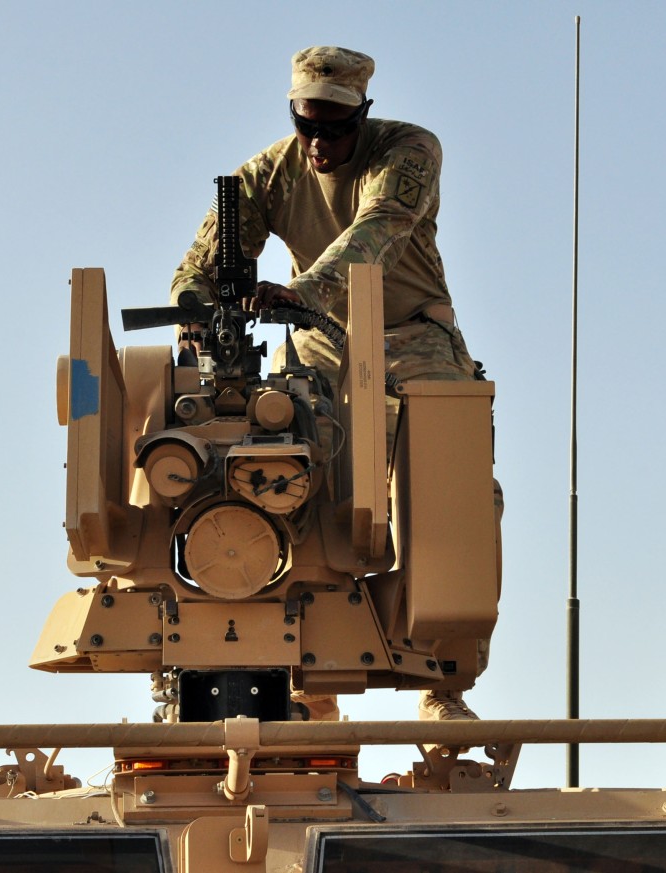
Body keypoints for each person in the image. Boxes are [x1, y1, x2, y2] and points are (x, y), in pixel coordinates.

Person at [170, 46, 497, 723]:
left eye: (335, 129)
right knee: (290, 490)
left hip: (410, 338)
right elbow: (202, 261)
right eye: (306, 125)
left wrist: (300, 290)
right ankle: (309, 685)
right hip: (319, 349)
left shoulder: (407, 152)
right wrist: (195, 315)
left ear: (363, 116)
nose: (319, 143)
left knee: (449, 498)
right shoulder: (268, 173)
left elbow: (378, 231)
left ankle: (443, 678)